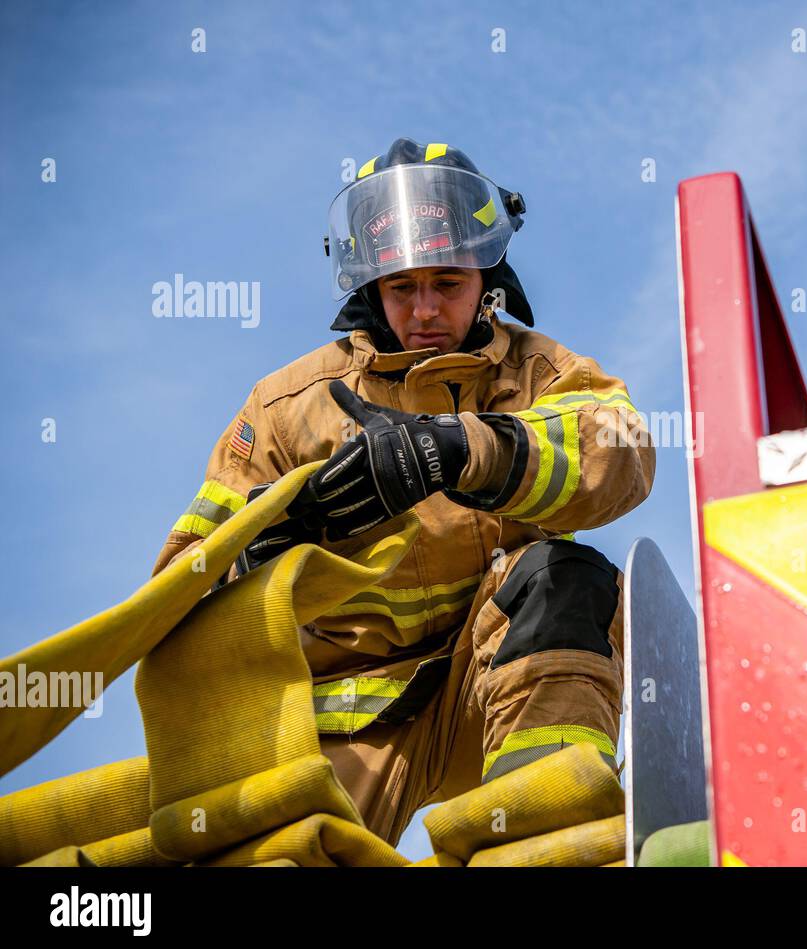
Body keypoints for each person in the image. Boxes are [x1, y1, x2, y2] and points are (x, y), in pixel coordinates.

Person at [153, 138, 655, 845]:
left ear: (488, 277)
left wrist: (468, 448)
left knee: (562, 577)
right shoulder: (284, 408)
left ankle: (546, 838)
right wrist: (266, 548)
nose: (424, 309)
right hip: (343, 717)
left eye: (448, 283)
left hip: (497, 688)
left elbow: (621, 454)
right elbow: (180, 588)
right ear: (369, 290)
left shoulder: (541, 370)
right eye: (401, 287)